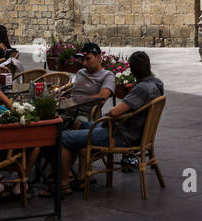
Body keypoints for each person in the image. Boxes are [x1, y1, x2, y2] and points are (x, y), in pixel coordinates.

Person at [55, 51, 163, 194]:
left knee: (63, 138)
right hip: (130, 130)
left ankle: (63, 185)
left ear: (132, 70)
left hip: (120, 136)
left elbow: (115, 112)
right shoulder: (157, 83)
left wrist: (109, 117)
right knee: (80, 125)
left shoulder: (142, 88)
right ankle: (80, 177)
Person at [65, 42, 116, 107]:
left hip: (85, 114)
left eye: (88, 59)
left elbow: (102, 98)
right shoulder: (80, 72)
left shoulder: (108, 75)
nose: (84, 63)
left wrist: (75, 101)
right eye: (83, 59)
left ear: (98, 57)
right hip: (67, 109)